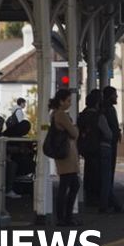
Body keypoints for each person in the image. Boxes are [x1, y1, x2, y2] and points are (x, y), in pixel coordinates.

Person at [50, 88, 81, 225]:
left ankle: (65, 217)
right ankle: (64, 217)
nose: (70, 103)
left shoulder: (55, 114)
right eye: (68, 100)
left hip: (66, 154)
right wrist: (75, 127)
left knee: (69, 185)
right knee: (70, 185)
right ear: (61, 101)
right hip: (66, 155)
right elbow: (74, 133)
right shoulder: (61, 115)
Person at [98, 87, 122, 214]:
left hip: (103, 146)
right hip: (107, 146)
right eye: (115, 95)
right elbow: (110, 129)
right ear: (110, 96)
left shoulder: (102, 108)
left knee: (105, 176)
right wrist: (114, 135)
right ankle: (105, 203)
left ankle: (110, 201)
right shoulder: (109, 110)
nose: (117, 97)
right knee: (107, 176)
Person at [77, 90, 102, 206]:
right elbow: (105, 132)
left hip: (84, 147)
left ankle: (89, 194)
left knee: (89, 171)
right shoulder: (97, 116)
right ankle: (95, 197)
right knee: (96, 173)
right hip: (96, 147)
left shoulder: (82, 115)